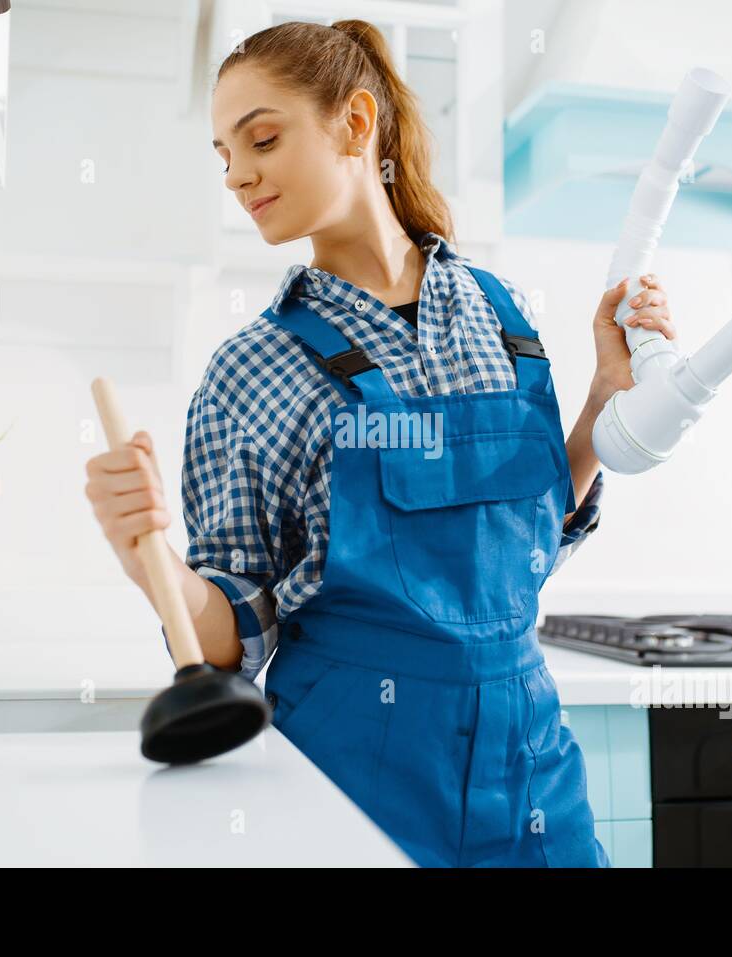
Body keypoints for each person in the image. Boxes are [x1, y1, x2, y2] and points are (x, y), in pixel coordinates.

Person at [85, 19, 676, 867]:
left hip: (533, 765)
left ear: (356, 125)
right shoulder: (250, 370)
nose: (238, 174)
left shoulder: (500, 311)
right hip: (350, 773)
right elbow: (230, 639)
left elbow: (539, 523)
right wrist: (150, 559)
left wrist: (600, 401)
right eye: (224, 154)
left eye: (261, 138)